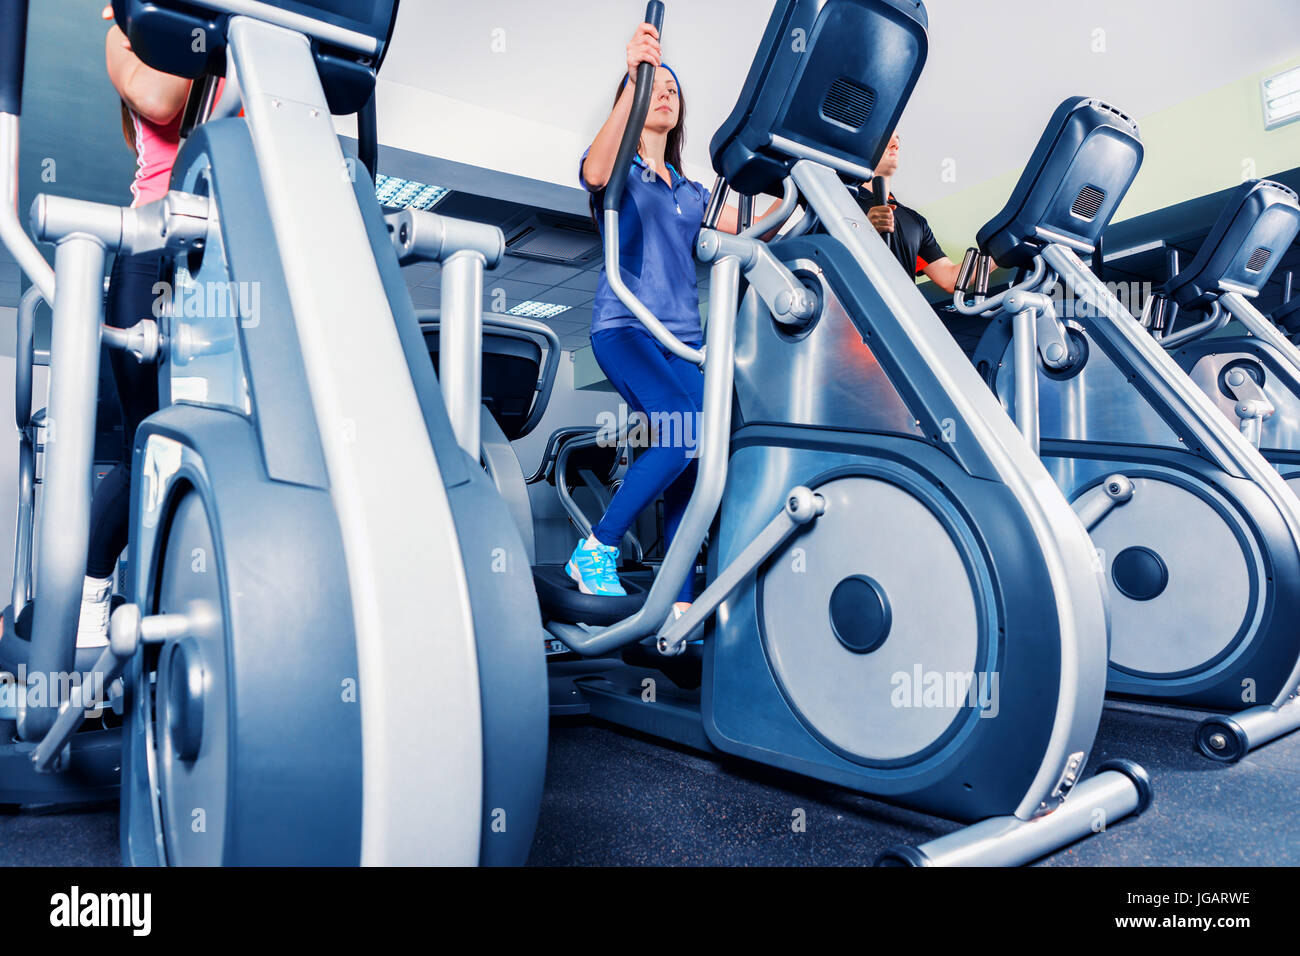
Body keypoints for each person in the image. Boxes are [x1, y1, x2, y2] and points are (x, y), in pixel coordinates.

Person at [570, 22, 775, 616]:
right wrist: (635, 78)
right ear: (629, 99)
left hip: (685, 343)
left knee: (703, 452)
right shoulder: (619, 169)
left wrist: (783, 166)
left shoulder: (692, 191)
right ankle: (597, 547)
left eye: (671, 88)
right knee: (682, 428)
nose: (665, 91)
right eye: (652, 86)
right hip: (626, 328)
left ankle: (679, 601)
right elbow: (595, 173)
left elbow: (761, 230)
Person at [75, 6, 193, 646]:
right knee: (145, 443)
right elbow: (161, 95)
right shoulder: (123, 35)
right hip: (152, 251)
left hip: (229, 251)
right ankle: (95, 605)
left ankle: (179, 597)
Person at [855, 131, 984, 294]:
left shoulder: (914, 221)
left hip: (897, 314)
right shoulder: (837, 200)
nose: (895, 144)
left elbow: (950, 279)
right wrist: (864, 229)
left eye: (897, 140)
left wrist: (1004, 250)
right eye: (886, 137)